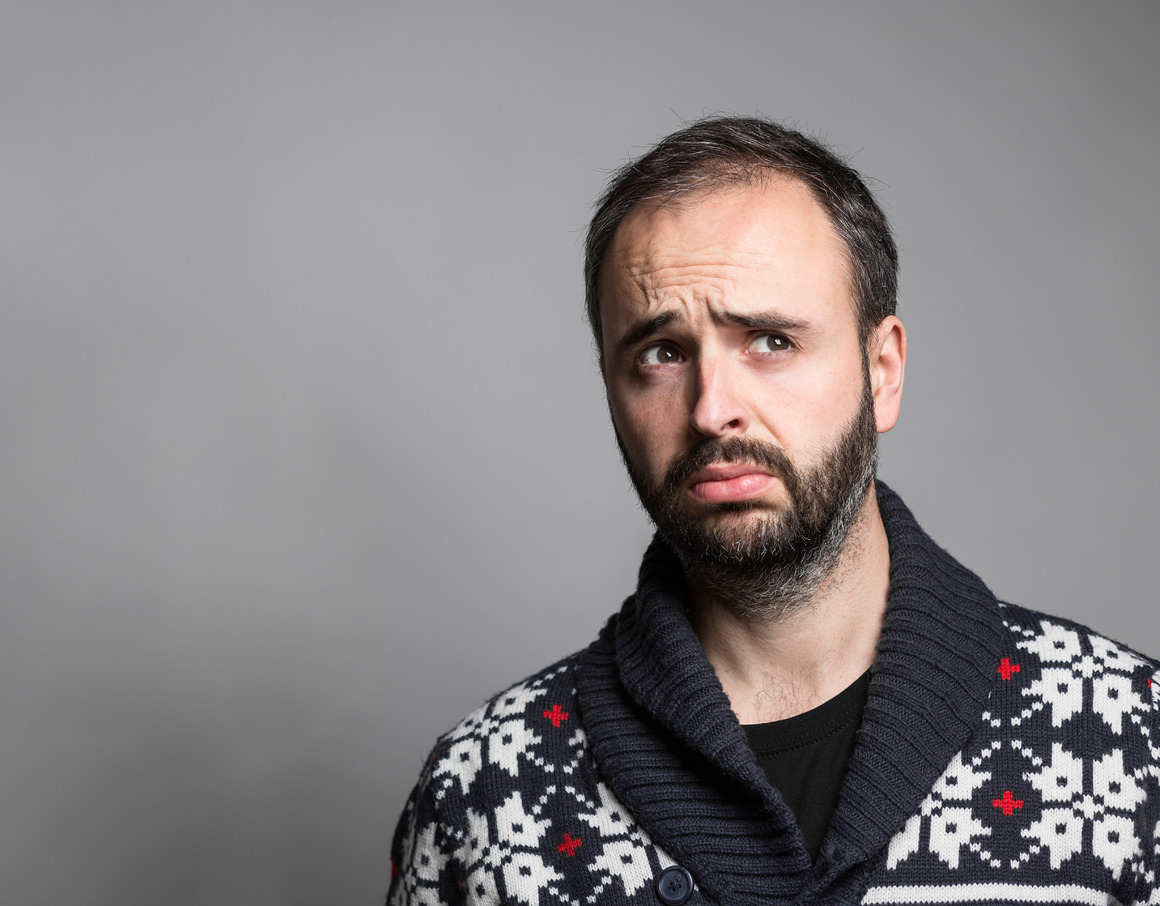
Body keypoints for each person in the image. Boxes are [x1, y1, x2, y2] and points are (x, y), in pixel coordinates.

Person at [385, 116, 1160, 906]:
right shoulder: (484, 798)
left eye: (769, 341)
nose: (712, 409)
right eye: (661, 353)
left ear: (882, 370)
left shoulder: (1128, 742)